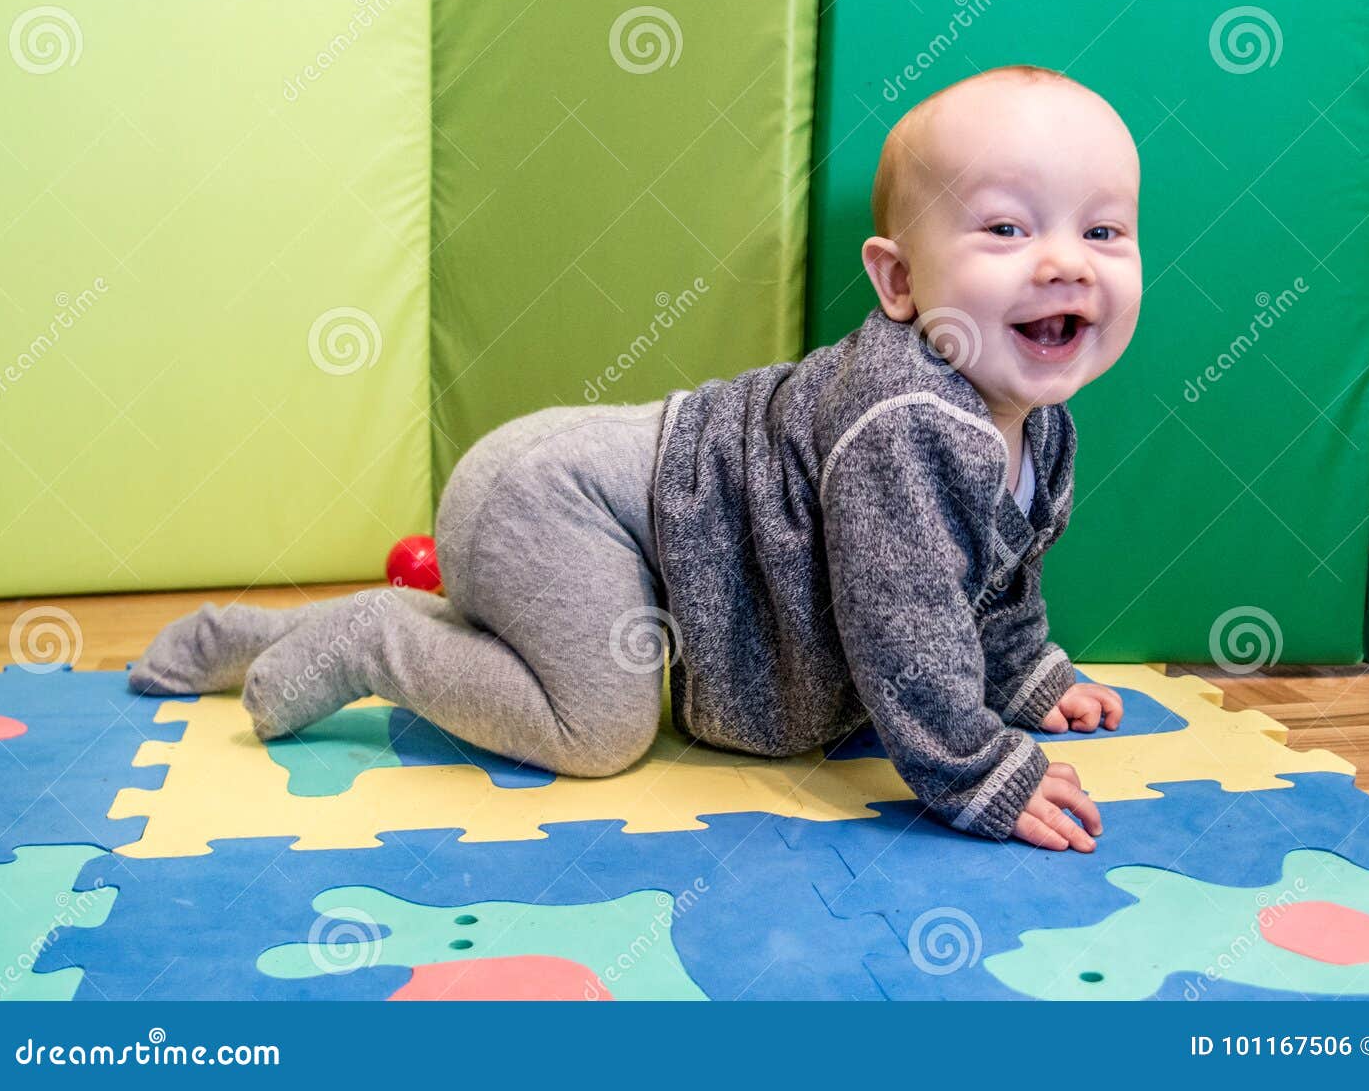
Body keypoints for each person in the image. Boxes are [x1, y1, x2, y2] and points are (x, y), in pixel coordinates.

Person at [130, 64, 1140, 852]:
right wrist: (972, 770)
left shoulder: (1031, 424)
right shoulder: (907, 418)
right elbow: (905, 613)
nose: (1065, 261)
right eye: (1005, 227)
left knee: (549, 670)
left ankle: (255, 640)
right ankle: (371, 639)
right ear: (899, 281)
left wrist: (1021, 672)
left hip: (604, 516)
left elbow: (989, 576)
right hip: (559, 503)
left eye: (1103, 229)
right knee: (596, 731)